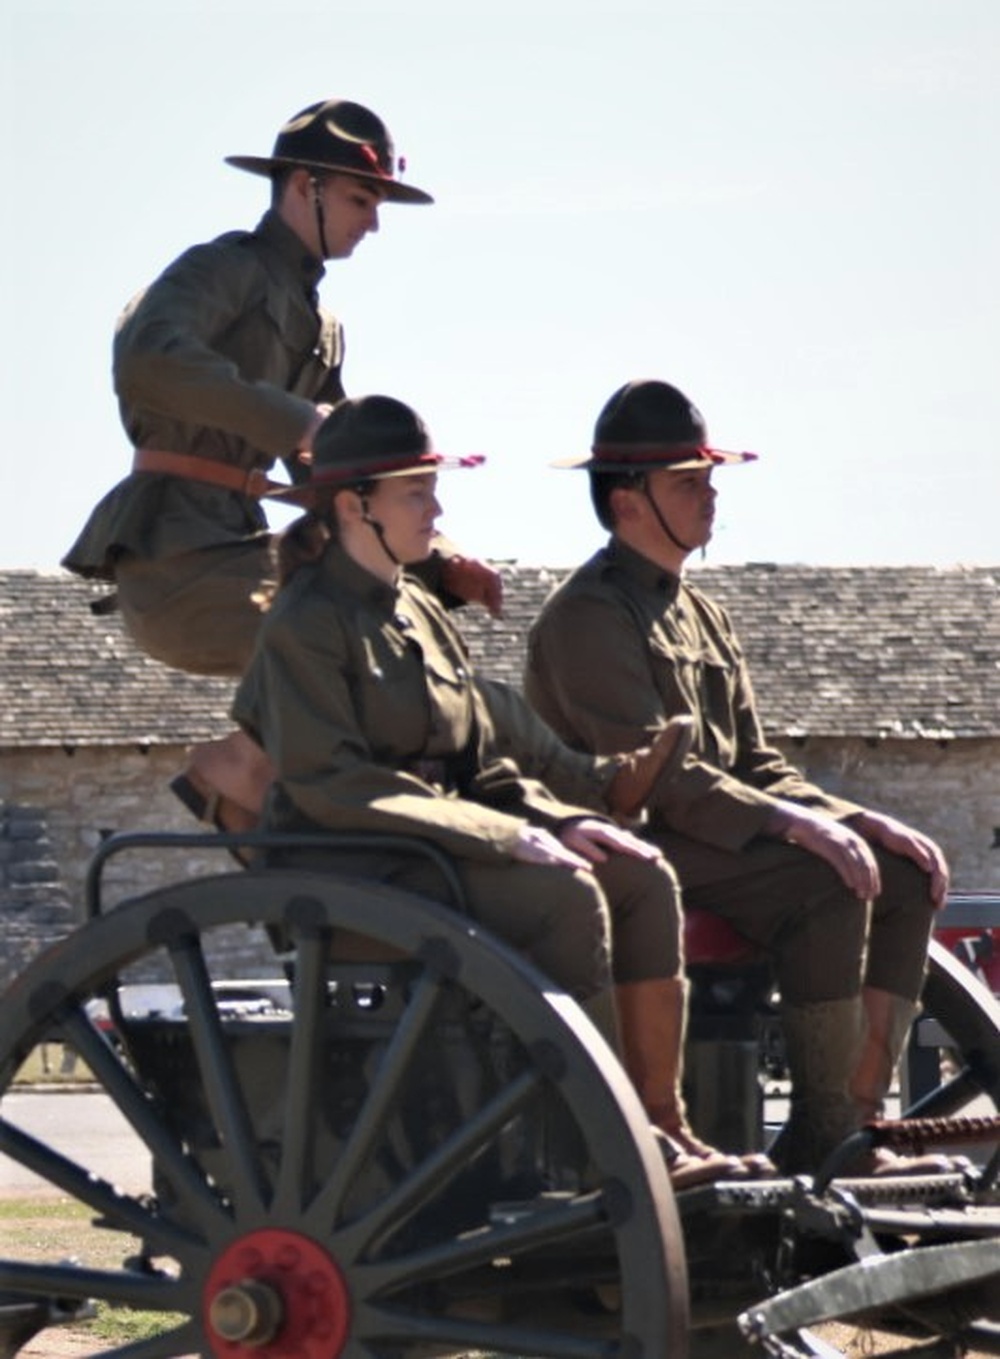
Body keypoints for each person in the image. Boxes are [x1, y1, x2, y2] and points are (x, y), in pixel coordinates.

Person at [60, 97, 676, 836]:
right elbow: (149, 359)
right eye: (361, 199)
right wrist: (297, 421)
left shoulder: (320, 325)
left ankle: (330, 787)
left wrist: (441, 558)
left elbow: (351, 475)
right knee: (376, 630)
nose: (374, 222)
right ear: (304, 187)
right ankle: (261, 772)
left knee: (415, 618)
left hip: (230, 545)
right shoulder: (222, 269)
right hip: (176, 559)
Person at [231, 392, 768, 1189]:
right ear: (353, 506)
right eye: (417, 492)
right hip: (355, 863)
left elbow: (480, 764)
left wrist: (561, 820)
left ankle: (661, 1120)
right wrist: (501, 835)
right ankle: (605, 1144)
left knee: (640, 873)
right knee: (564, 897)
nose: (436, 508)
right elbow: (333, 784)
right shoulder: (305, 624)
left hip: (432, 848)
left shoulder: (418, 607)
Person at [524, 378, 955, 1176]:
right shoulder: (587, 616)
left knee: (901, 872)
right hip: (635, 848)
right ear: (627, 502)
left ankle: (862, 1125)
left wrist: (855, 819)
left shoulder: (703, 613)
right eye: (688, 482)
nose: (710, 495)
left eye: (709, 478)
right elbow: (654, 776)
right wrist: (795, 827)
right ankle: (826, 1133)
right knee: (823, 882)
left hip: (719, 846)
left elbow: (756, 762)